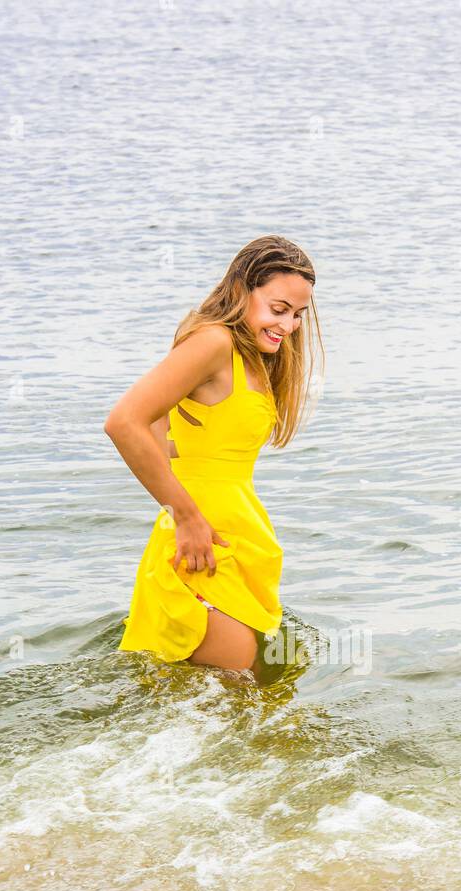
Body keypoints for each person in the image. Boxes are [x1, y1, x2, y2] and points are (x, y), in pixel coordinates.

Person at [105, 235, 323, 677]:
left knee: (231, 705)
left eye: (298, 315)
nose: (290, 325)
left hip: (234, 537)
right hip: (202, 546)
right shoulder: (213, 342)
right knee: (232, 704)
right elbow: (124, 421)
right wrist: (184, 516)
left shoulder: (251, 357)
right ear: (242, 289)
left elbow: (163, 434)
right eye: (278, 309)